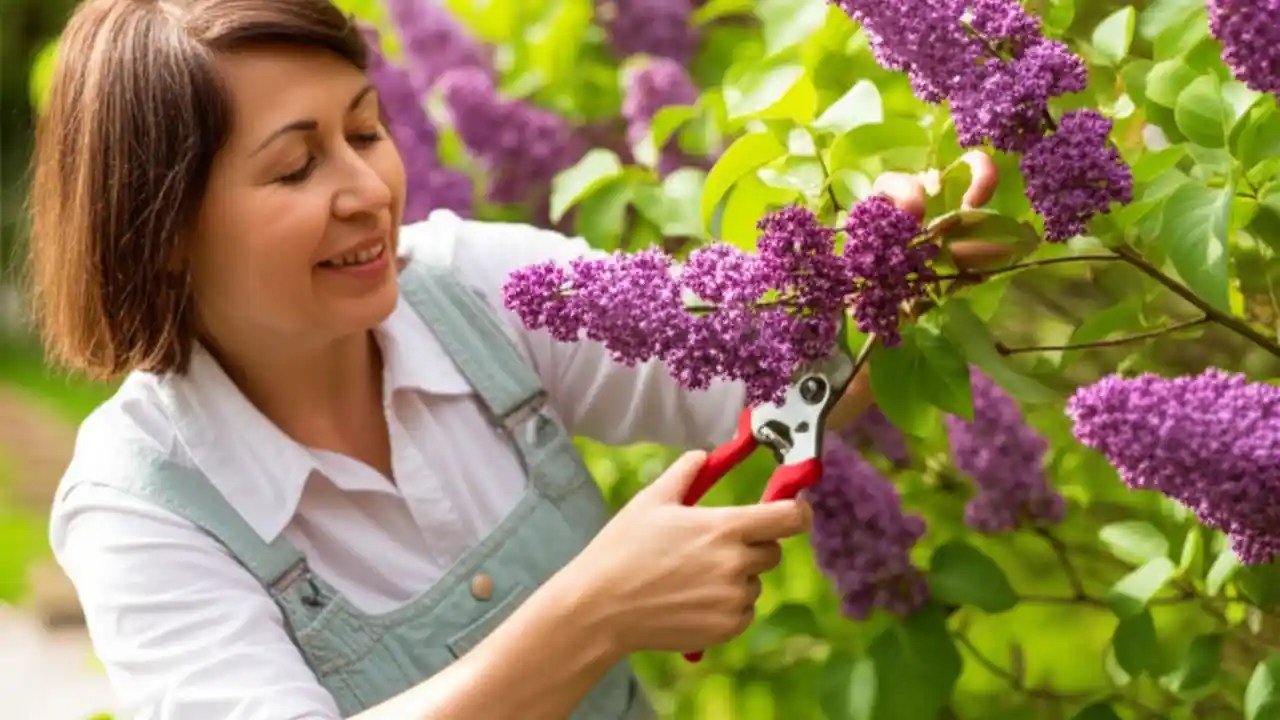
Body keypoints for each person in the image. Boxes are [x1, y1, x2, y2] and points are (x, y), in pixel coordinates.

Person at [28, 1, 1000, 719]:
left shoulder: (474, 287)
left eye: (366, 130)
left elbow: (776, 371)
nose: (368, 187)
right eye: (295, 166)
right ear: (160, 228)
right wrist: (593, 613)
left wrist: (890, 268)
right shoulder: (140, 509)